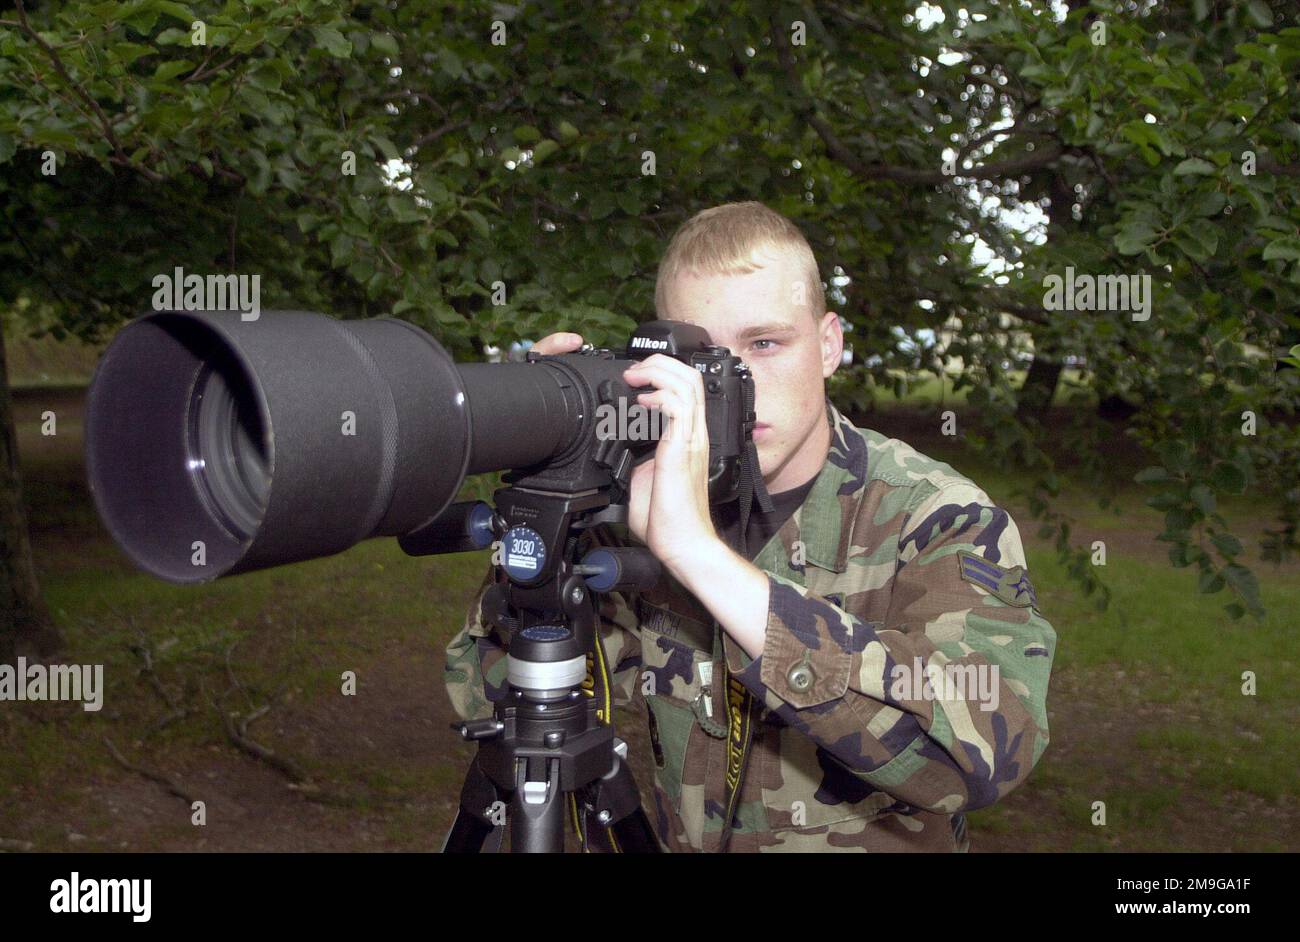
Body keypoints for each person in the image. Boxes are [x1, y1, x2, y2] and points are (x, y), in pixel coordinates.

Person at [445, 201, 1056, 852]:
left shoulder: (934, 516)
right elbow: (482, 700)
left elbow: (984, 752)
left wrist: (699, 558)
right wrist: (558, 489)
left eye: (764, 344)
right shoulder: (635, 506)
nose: (734, 387)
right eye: (703, 358)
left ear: (829, 344)